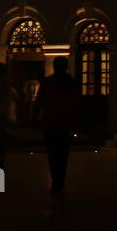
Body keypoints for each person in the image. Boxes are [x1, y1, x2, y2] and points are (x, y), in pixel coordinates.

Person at [33, 57, 79, 194]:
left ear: (54, 67)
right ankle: (60, 180)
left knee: (53, 154)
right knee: (63, 154)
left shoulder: (48, 82)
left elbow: (39, 102)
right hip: (65, 123)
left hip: (51, 123)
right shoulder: (71, 83)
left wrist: (34, 118)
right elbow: (76, 104)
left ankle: (56, 180)